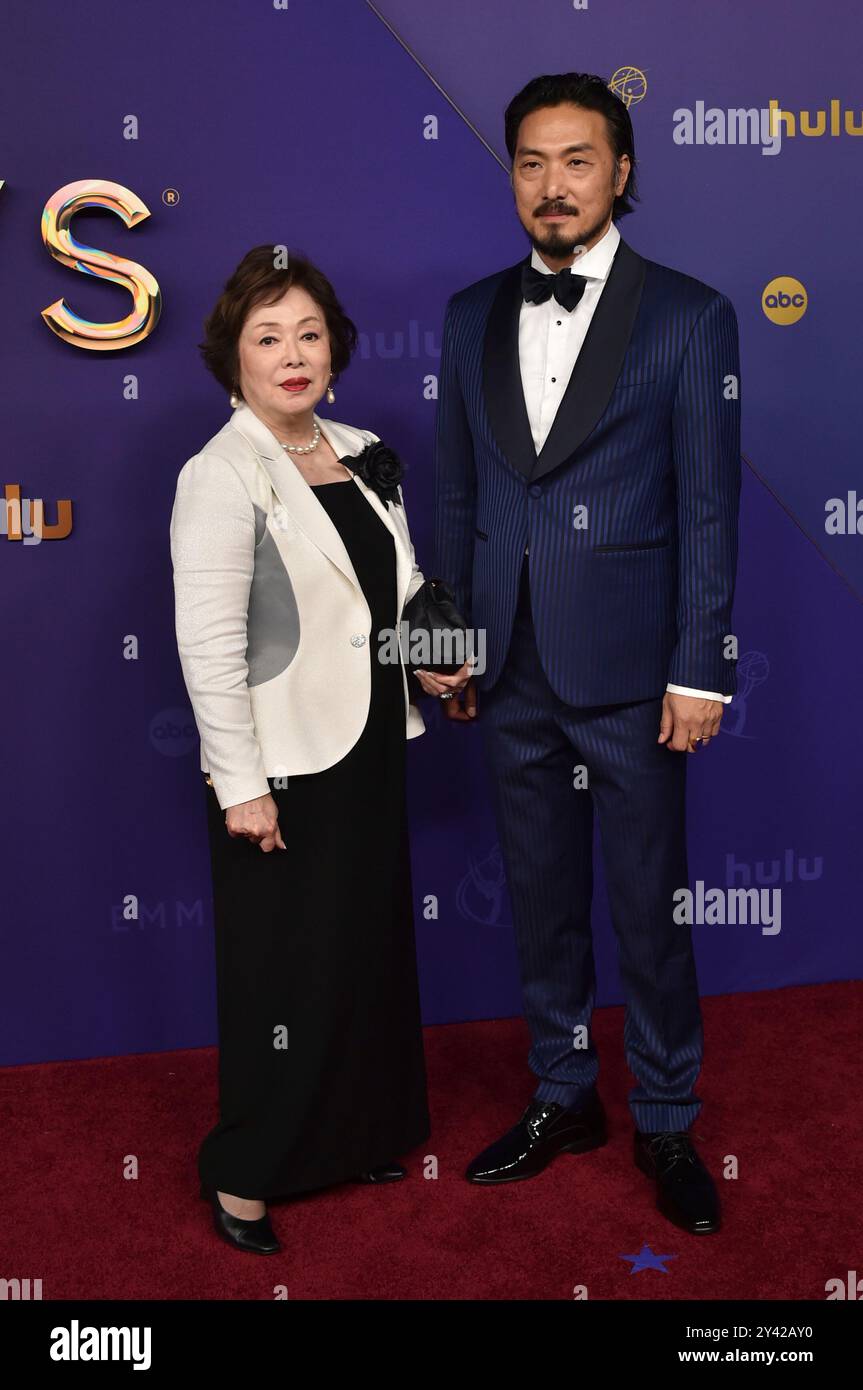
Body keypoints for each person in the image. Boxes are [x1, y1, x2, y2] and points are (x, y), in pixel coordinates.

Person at [434, 73, 741, 1235]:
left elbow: (709, 505)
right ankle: (563, 1094)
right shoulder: (468, 313)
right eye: (528, 161)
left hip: (631, 674)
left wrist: (700, 664)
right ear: (509, 175)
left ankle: (664, 1112)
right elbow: (456, 494)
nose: (549, 184)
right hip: (505, 665)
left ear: (619, 173)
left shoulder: (689, 315)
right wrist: (446, 646)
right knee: (541, 903)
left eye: (574, 160)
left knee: (648, 910)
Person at [169, 246, 470, 1255]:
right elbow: (208, 642)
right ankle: (247, 1174)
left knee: (363, 948)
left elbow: (397, 589)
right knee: (280, 971)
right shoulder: (219, 473)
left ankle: (353, 1136)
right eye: (267, 338)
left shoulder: (361, 444)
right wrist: (239, 783)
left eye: (307, 334)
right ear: (234, 360)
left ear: (333, 350)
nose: (291, 355)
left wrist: (438, 666)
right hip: (282, 761)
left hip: (371, 737)